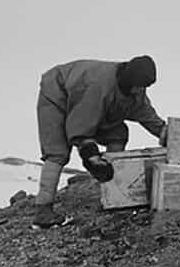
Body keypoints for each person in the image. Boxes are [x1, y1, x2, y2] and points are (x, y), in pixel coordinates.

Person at [33, 55, 168, 228]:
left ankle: (113, 193)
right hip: (57, 94)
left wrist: (168, 135)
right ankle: (43, 210)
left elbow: (147, 115)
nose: (138, 90)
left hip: (86, 104)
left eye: (143, 87)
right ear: (129, 79)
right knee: (57, 152)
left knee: (118, 133)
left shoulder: (135, 89)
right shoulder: (98, 87)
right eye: (138, 86)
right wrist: (92, 156)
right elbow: (81, 125)